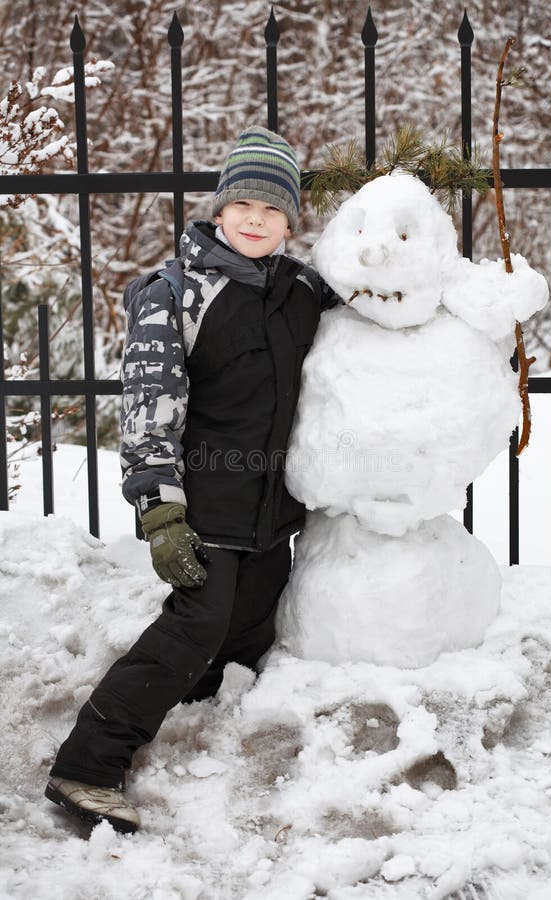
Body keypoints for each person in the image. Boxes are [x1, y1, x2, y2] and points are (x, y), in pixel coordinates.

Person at [45, 126, 336, 833]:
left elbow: (382, 319)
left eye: (272, 210)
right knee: (196, 623)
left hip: (271, 509)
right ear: (218, 210)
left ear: (291, 220)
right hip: (203, 501)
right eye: (243, 206)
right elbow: (148, 412)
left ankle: (208, 726)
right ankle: (87, 765)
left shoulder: (302, 292)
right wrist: (161, 514)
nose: (257, 221)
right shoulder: (174, 293)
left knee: (251, 625)